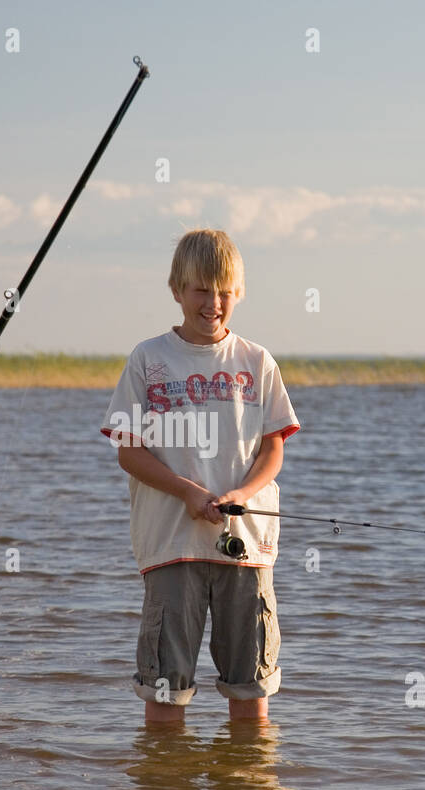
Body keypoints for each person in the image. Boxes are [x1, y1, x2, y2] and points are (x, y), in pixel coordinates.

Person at [101, 229, 300, 723]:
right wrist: (189, 493)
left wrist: (242, 493)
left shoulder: (257, 362)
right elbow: (128, 451)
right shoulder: (148, 359)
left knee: (251, 701)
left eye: (224, 291)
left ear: (238, 293)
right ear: (176, 289)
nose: (213, 302)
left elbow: (273, 448)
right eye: (201, 290)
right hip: (171, 547)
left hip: (246, 548)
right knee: (165, 702)